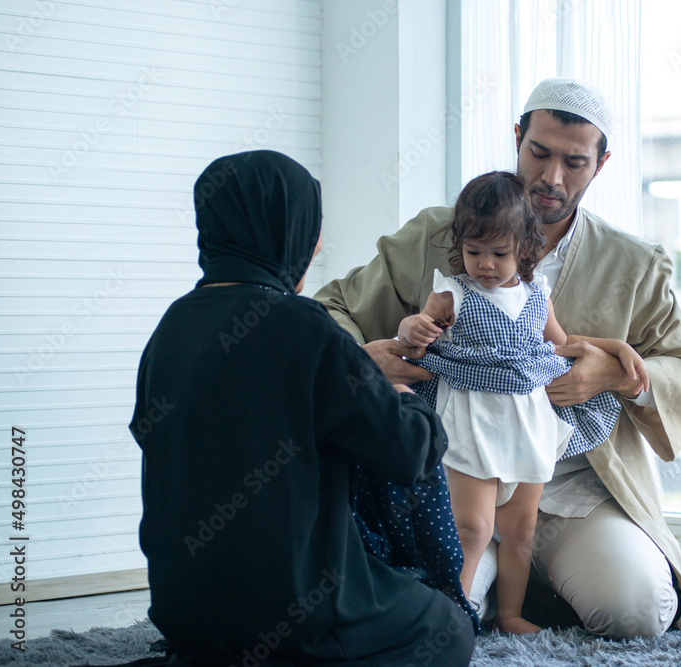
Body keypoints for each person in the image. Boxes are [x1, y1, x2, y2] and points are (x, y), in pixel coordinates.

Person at [315, 78, 681, 636]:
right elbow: (332, 307)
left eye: (575, 162)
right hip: (459, 472)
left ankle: (537, 579)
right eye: (539, 153)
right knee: (436, 609)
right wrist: (367, 361)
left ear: (601, 164)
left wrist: (619, 375)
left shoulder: (633, 263)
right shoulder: (440, 233)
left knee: (637, 611)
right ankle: (501, 587)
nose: (552, 177)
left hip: (570, 486)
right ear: (517, 138)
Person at [131, 150, 474, 665]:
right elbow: (409, 455)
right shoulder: (304, 326)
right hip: (295, 617)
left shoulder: (172, 328)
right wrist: (403, 399)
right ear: (291, 234)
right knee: (446, 627)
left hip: (184, 615)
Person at [396, 171, 649, 634]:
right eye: (474, 252)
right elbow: (416, 335)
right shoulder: (452, 292)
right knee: (470, 530)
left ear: (525, 249)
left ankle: (511, 612)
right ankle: (452, 615)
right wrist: (412, 330)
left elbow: (560, 344)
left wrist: (614, 346)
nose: (485, 265)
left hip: (527, 427)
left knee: (520, 532)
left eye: (499, 253)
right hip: (472, 424)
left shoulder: (536, 295)